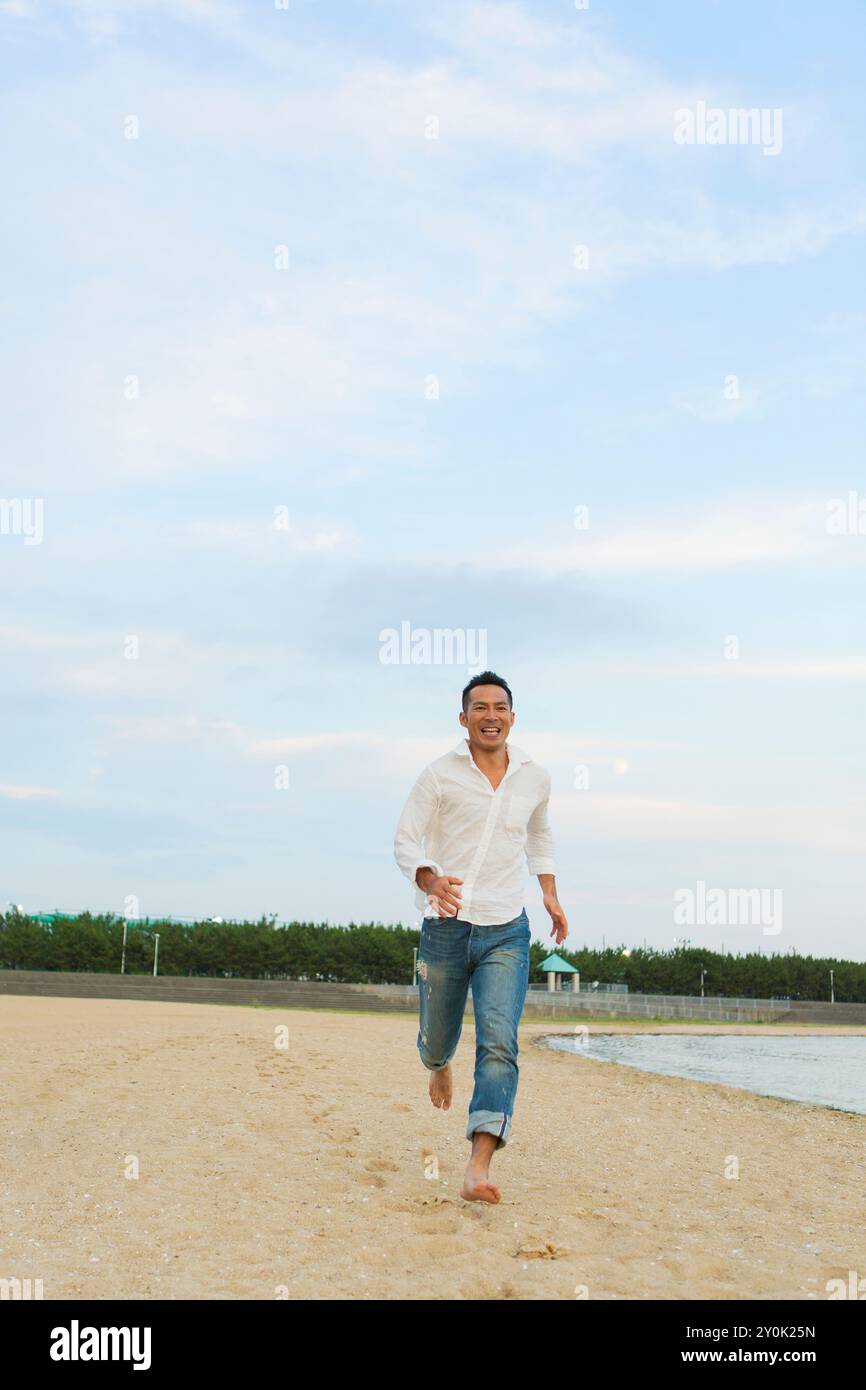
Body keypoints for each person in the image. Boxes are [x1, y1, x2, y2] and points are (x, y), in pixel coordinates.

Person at [393, 670, 568, 1203]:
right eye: (479, 707)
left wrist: (550, 893)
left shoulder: (535, 777)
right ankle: (438, 1064)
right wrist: (428, 878)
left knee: (499, 1042)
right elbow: (405, 840)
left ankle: (478, 1162)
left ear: (512, 717)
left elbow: (539, 835)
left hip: (506, 930)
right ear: (463, 717)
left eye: (500, 707)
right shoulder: (438, 775)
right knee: (437, 1038)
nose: (490, 715)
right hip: (445, 927)